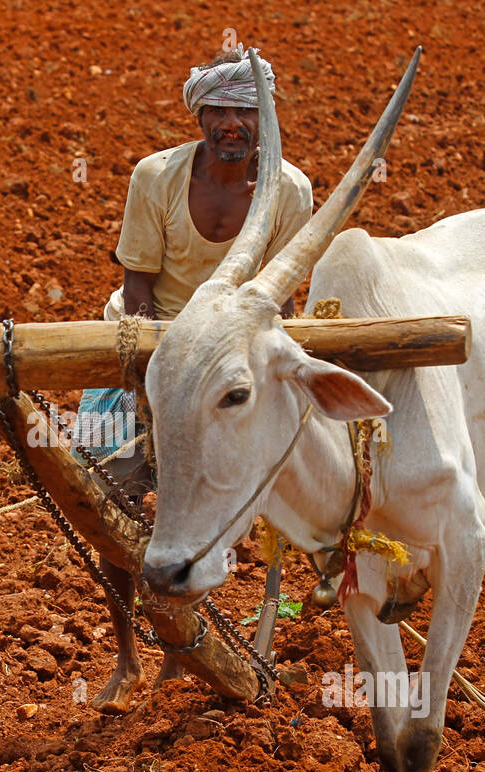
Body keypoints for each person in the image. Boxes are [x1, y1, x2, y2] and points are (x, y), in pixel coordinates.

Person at [76, 46, 314, 712]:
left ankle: (189, 652)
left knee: (253, 489)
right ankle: (126, 655)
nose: (232, 122)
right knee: (102, 487)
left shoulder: (290, 191)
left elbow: (280, 304)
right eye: (219, 109)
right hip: (150, 354)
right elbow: (138, 290)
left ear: (263, 119)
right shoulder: (156, 177)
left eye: (246, 109)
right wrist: (151, 387)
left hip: (231, 359)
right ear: (199, 114)